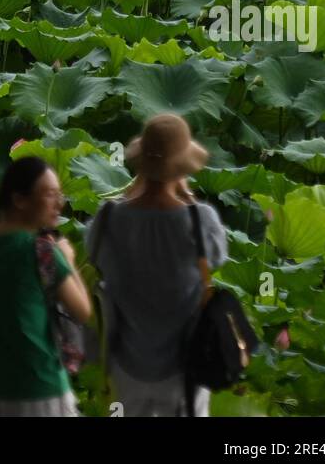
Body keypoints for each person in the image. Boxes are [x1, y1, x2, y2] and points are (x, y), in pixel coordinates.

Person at [87, 113, 227, 418]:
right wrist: (187, 197)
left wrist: (133, 191)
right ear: (182, 167)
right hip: (188, 364)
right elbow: (215, 258)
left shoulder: (108, 218)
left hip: (125, 363)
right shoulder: (200, 220)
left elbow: (94, 256)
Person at [0, 157, 93, 418]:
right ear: (19, 200)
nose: (59, 203)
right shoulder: (42, 250)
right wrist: (70, 260)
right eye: (50, 194)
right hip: (39, 389)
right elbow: (82, 311)